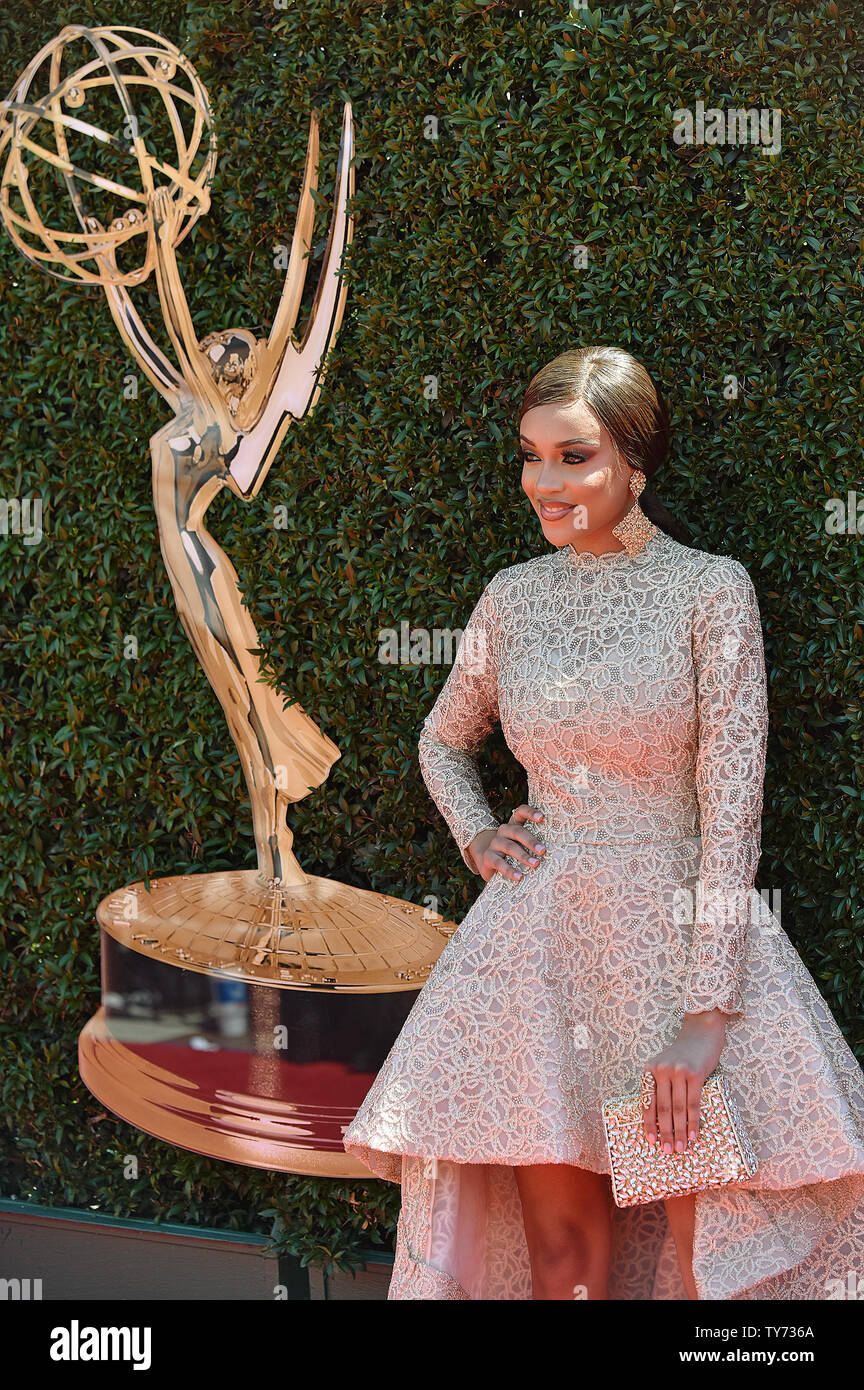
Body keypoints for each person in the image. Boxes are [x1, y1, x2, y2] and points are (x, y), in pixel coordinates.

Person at [342, 344, 864, 1300]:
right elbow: (442, 739)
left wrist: (703, 1021)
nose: (546, 482)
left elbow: (731, 812)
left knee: (710, 1255)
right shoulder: (512, 597)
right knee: (566, 1268)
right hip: (536, 962)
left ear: (635, 463)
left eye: (574, 456)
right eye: (531, 456)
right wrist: (475, 832)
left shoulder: (712, 591)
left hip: (670, 965)